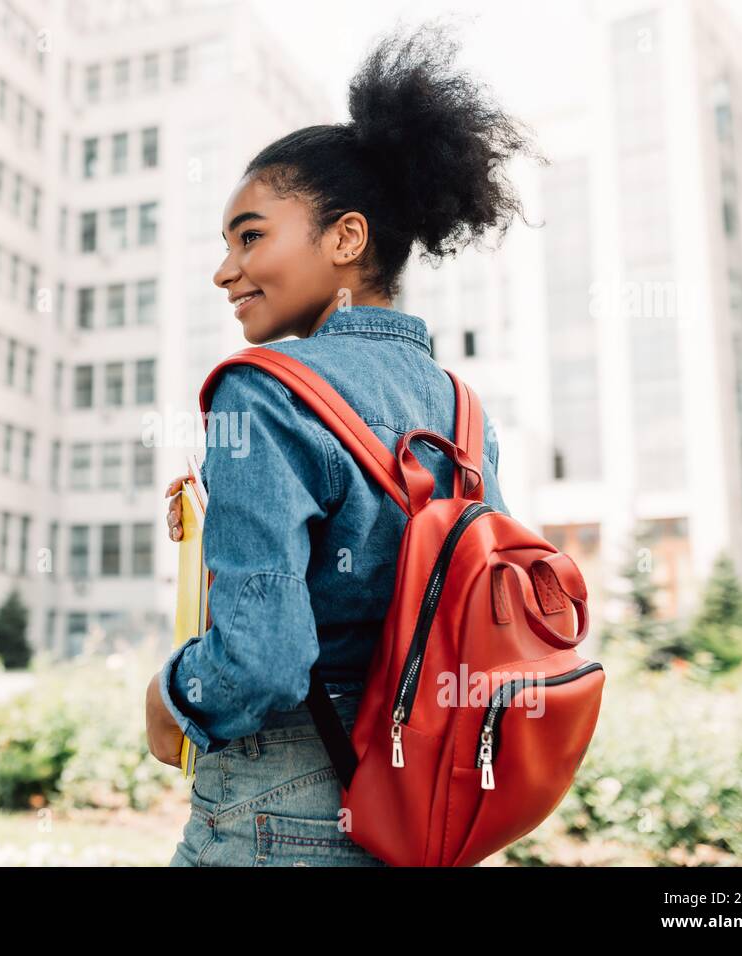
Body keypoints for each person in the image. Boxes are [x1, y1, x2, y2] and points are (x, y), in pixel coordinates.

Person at [144, 19, 542, 866]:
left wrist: (172, 695)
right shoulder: (461, 410)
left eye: (250, 235)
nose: (224, 270)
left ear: (346, 240)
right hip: (424, 802)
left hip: (278, 807)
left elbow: (262, 664)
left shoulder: (263, 391)